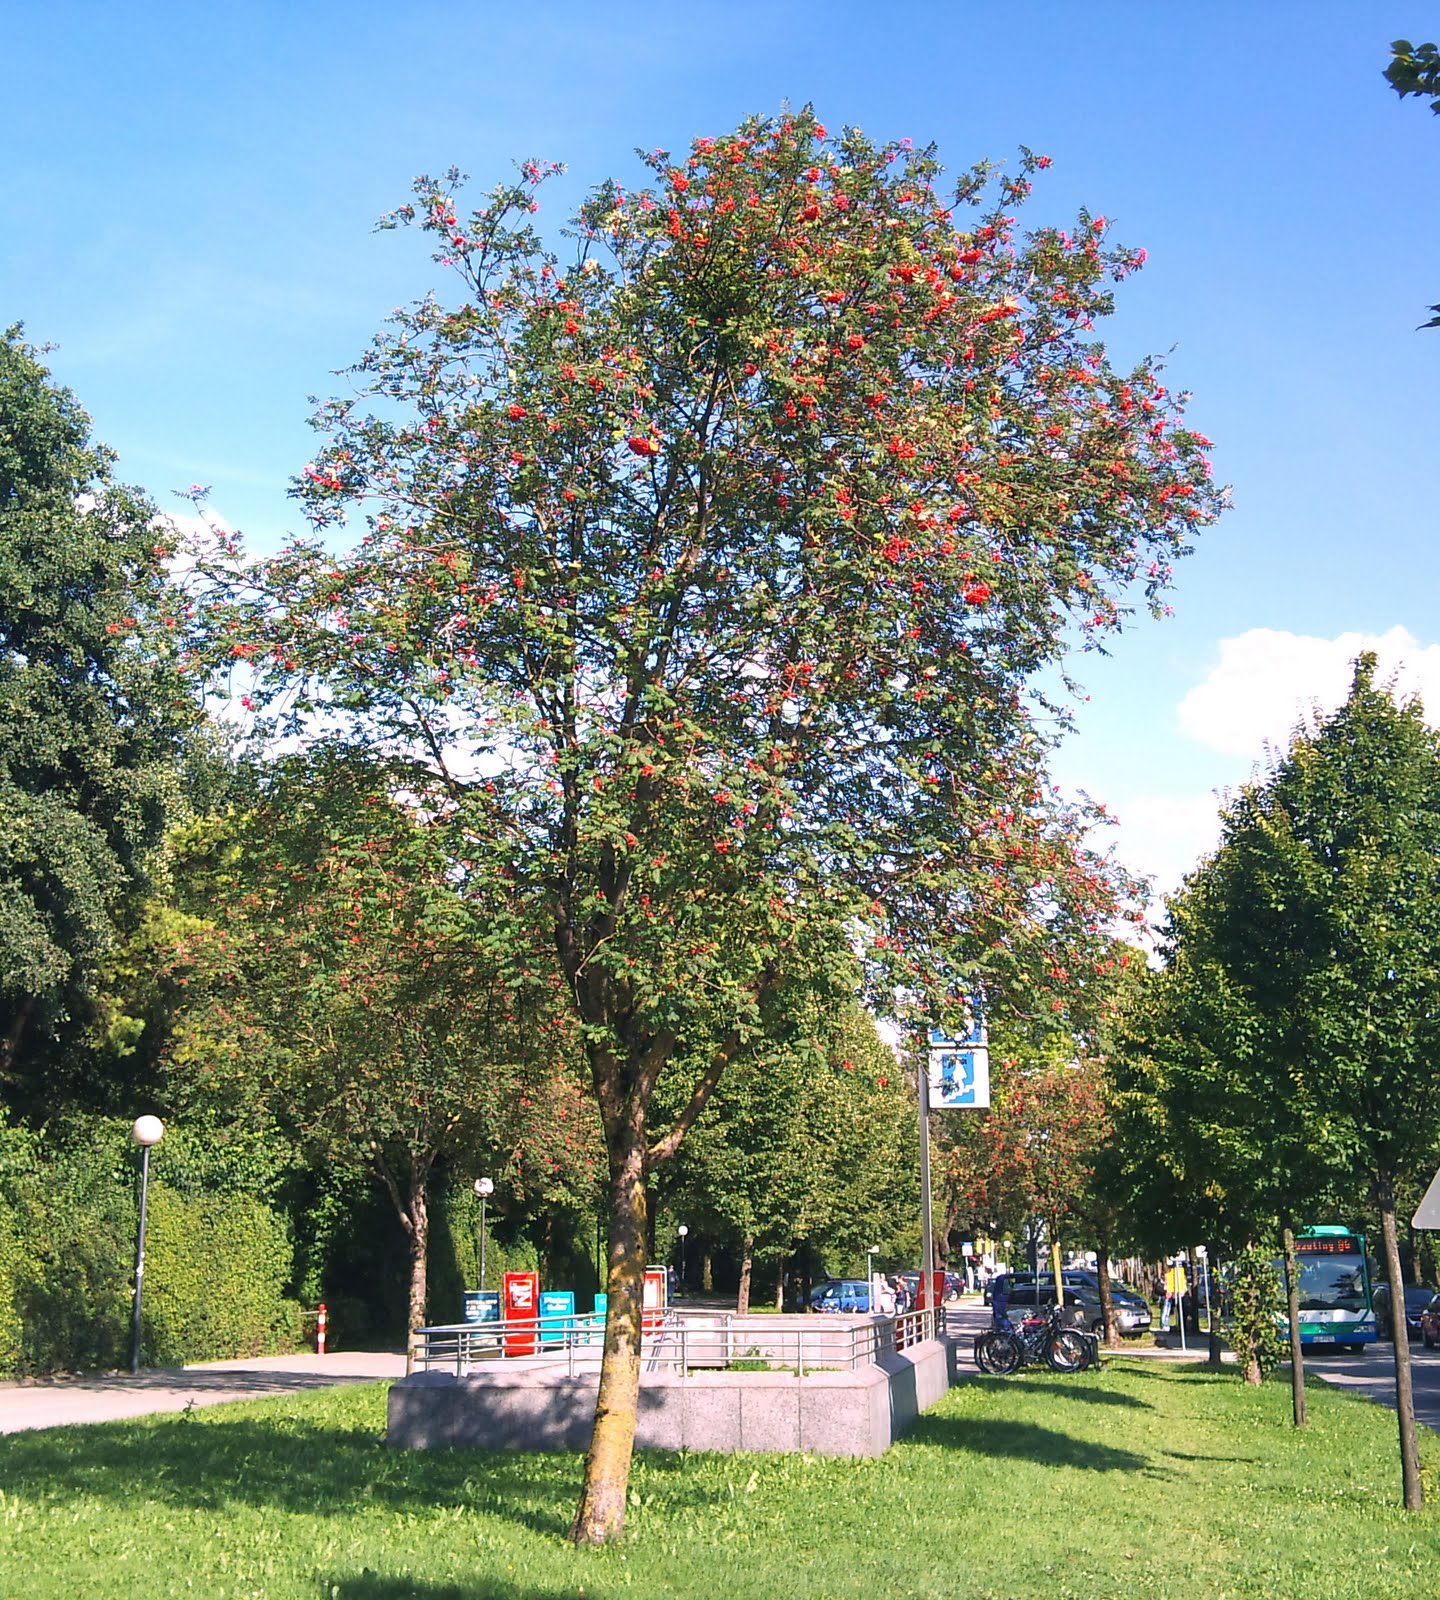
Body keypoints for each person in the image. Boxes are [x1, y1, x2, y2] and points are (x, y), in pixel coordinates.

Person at [1161, 1257, 1187, 1333]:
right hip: (1170, 1292)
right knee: (1167, 1309)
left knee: (1171, 1309)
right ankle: (1164, 1324)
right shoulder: (1169, 1273)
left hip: (1178, 1291)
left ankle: (1180, 1325)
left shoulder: (1179, 1273)